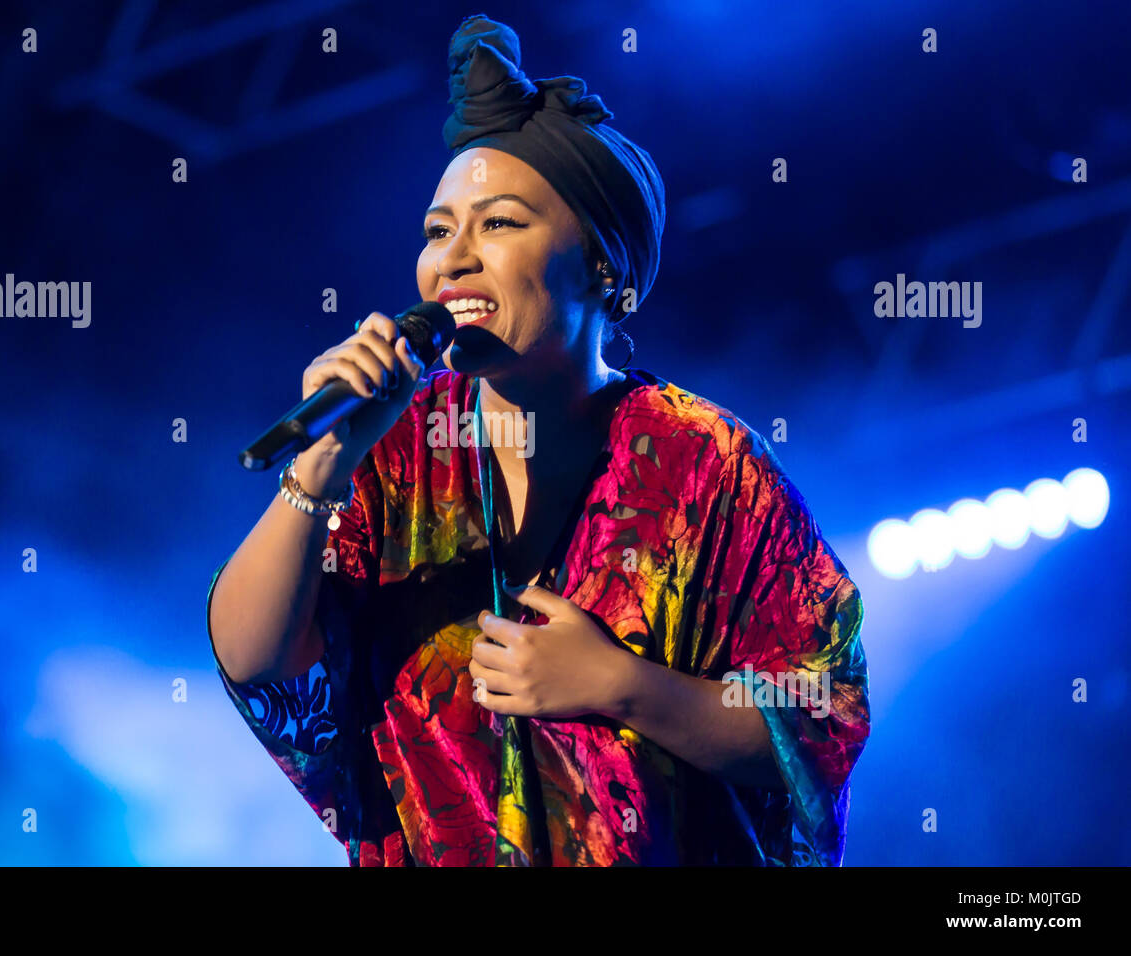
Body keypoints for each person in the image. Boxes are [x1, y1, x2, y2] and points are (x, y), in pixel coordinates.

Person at [206, 14, 869, 866]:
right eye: (438, 230)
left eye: (500, 224)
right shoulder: (397, 449)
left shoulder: (708, 464)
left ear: (604, 269)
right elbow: (257, 660)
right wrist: (319, 468)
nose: (452, 260)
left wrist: (623, 687)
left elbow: (823, 717)